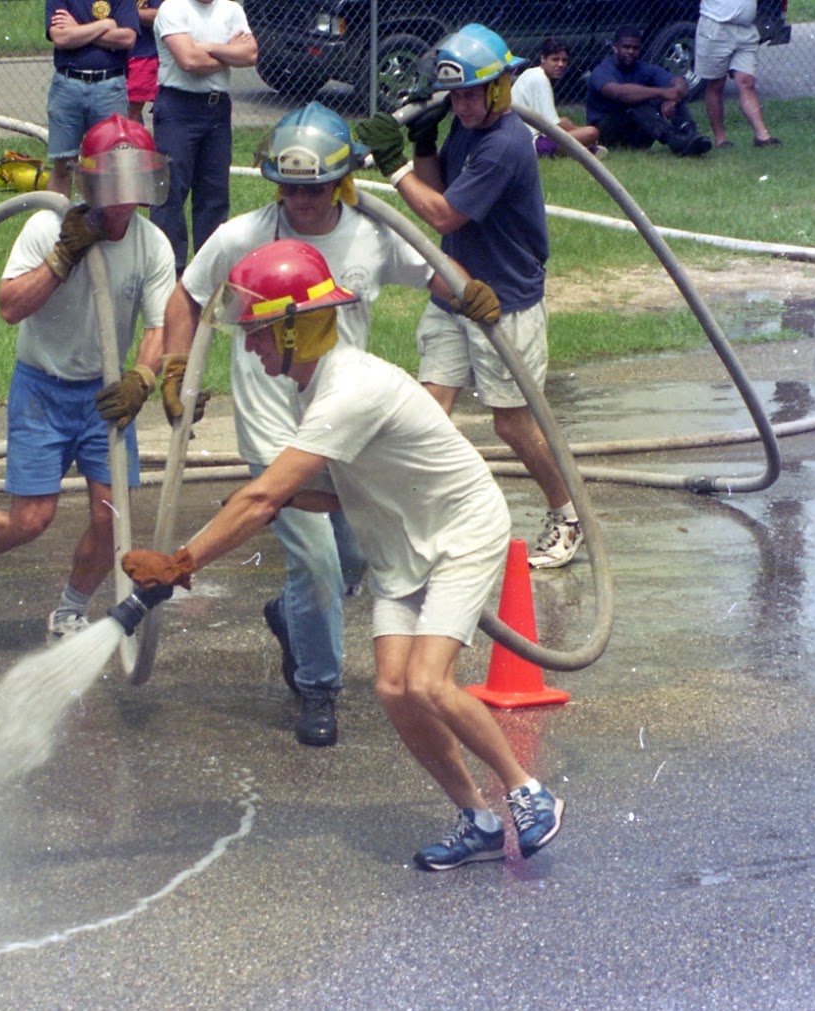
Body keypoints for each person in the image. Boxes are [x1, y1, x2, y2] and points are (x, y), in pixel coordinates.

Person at [123, 240, 566, 871]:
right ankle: (479, 819)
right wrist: (273, 501)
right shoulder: (317, 385)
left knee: (426, 682)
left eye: (258, 334)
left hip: (461, 532)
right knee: (392, 689)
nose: (249, 347)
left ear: (297, 330)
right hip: (401, 541)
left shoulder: (347, 389)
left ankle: (528, 792)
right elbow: (322, 494)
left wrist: (182, 561)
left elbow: (263, 497)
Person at [162, 102, 474, 747]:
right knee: (319, 565)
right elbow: (188, 294)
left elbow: (438, 279)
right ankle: (318, 688)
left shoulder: (371, 235)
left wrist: (475, 292)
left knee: (359, 558)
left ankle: (291, 616)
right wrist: (173, 367)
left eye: (313, 187)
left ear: (341, 181)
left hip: (343, 423)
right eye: (288, 187)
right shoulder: (241, 236)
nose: (299, 200)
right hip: (271, 426)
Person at [0, 115, 178, 640]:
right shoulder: (49, 226)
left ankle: (70, 609)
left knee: (110, 516)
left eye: (133, 183)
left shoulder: (153, 245)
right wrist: (64, 256)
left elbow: (160, 326)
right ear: (91, 182)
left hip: (105, 394)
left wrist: (142, 375)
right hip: (42, 389)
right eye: (113, 184)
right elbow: (8, 307)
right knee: (31, 521)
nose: (123, 198)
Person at [356, 24, 583, 569]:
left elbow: (441, 214)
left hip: (505, 301)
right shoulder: (466, 125)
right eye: (453, 95)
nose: (460, 104)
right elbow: (438, 188)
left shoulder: (503, 144)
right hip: (453, 290)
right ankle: (425, 518)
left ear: (500, 89)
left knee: (512, 424)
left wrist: (393, 166)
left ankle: (568, 514)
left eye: (469, 93)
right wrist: (425, 142)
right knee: (430, 410)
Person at [150, 0, 256, 275]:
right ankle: (169, 270)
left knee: (214, 194)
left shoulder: (231, 10)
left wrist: (207, 47)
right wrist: (227, 53)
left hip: (217, 109)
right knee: (170, 194)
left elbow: (250, 55)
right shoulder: (173, 9)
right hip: (177, 108)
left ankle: (209, 271)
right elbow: (188, 60)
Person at [43, 0, 138, 196]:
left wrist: (77, 30)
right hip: (67, 86)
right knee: (63, 165)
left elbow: (127, 38)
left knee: (109, 166)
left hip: (109, 87)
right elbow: (61, 38)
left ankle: (104, 225)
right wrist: (105, 24)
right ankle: (56, 223)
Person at [584, 25, 712, 157]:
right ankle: (676, 141)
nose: (631, 51)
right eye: (626, 47)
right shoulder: (602, 70)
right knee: (638, 103)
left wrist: (673, 98)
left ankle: (690, 135)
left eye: (635, 48)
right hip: (606, 134)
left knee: (667, 98)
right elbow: (619, 93)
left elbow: (680, 83)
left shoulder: (644, 68)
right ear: (615, 47)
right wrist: (663, 93)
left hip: (637, 134)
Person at [696, 0, 780, 149]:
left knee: (747, 81)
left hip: (746, 29)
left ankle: (762, 136)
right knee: (716, 84)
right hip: (716, 26)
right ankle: (720, 139)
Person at [512, 38, 606, 160]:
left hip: (525, 137)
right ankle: (587, 149)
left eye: (564, 60)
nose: (560, 64)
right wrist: (582, 132)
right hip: (532, 143)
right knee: (591, 132)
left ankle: (585, 150)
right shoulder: (540, 79)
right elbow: (552, 125)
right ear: (543, 59)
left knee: (566, 121)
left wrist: (573, 129)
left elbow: (548, 120)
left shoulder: (532, 73)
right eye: (555, 60)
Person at [126, 0, 162, 124]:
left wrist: (120, 13)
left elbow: (161, 15)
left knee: (130, 117)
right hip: (104, 55)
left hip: (141, 55)